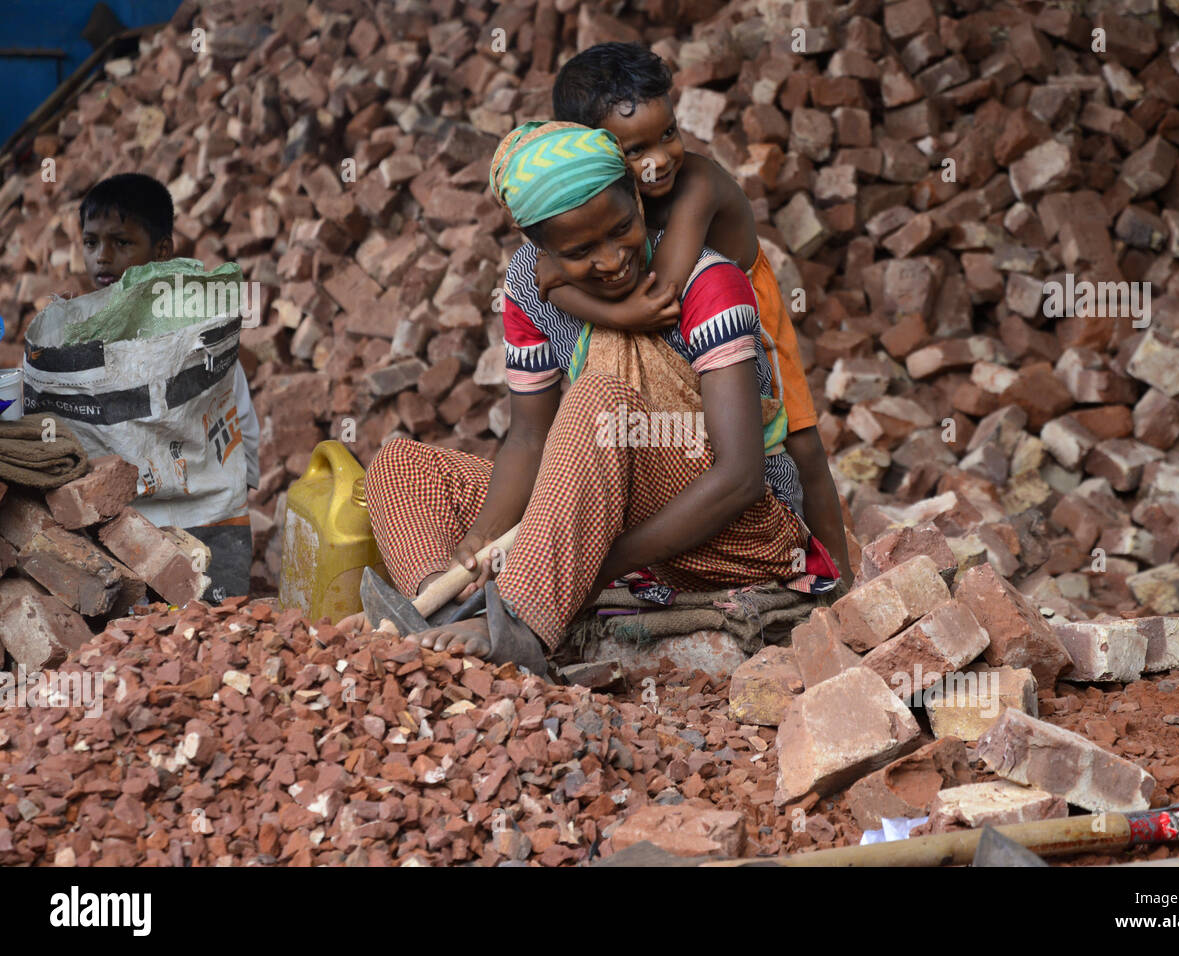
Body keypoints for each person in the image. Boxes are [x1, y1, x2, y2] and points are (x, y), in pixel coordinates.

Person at [363, 121, 841, 674]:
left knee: (599, 400)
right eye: (580, 250)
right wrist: (481, 542)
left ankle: (517, 621)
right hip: (607, 503)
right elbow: (528, 437)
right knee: (402, 465)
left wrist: (589, 563)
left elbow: (740, 478)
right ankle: (446, 606)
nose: (613, 260)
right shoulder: (526, 286)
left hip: (735, 532)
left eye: (621, 230)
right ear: (537, 250)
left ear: (639, 199)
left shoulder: (708, 282)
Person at [544, 42, 853, 587]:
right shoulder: (606, 205)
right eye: (633, 149)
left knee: (799, 439)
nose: (658, 158)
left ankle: (841, 581)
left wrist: (560, 289)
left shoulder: (696, 185)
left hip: (747, 317)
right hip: (691, 337)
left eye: (668, 134)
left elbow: (654, 296)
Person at [79, 173, 260, 600]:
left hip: (204, 530)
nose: (102, 257)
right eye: (91, 243)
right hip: (108, 535)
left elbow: (243, 439)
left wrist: (209, 505)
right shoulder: (77, 339)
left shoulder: (200, 339)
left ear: (162, 251)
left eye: (122, 242)